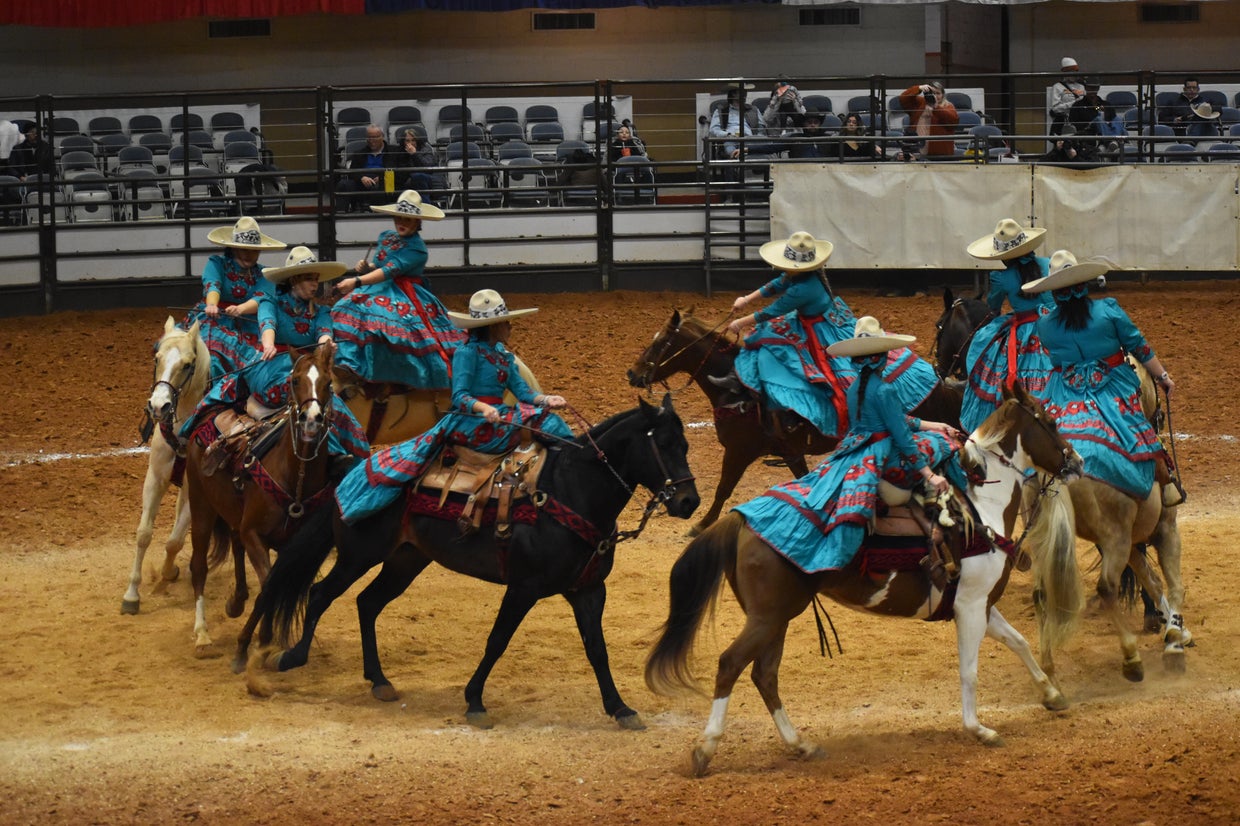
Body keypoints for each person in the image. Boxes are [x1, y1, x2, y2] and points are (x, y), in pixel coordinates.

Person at [731, 316, 963, 575]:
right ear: (881, 357)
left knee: (935, 435)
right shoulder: (884, 390)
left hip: (857, 450)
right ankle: (938, 513)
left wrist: (933, 424)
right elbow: (903, 438)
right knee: (942, 445)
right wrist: (928, 473)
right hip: (885, 453)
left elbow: (895, 418)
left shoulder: (854, 388)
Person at [333, 288, 574, 524]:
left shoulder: (502, 356)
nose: (510, 327)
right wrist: (483, 408)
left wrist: (546, 399)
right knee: (546, 423)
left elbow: (523, 392)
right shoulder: (467, 353)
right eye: (506, 322)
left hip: (497, 416)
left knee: (548, 419)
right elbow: (460, 396)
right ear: (493, 326)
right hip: (471, 422)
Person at [725, 231, 937, 439]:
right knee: (767, 339)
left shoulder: (804, 288)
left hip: (822, 329)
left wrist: (740, 322)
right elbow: (777, 284)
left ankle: (796, 413)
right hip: (814, 320)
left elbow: (772, 310)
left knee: (829, 371)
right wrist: (746, 299)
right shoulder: (802, 277)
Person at [179, 246, 369, 470]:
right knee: (298, 391)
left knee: (337, 410)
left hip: (304, 367)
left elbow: (323, 334)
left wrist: (327, 346)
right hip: (271, 362)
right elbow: (267, 323)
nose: (314, 284)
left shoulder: (321, 312)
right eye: (309, 278)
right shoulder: (271, 301)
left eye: (316, 279)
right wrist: (268, 344)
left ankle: (347, 459)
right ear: (294, 280)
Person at [1022, 250, 1183, 507]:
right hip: (1112, 384)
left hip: (1065, 389)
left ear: (1054, 292)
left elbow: (1055, 360)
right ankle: (1167, 484)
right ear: (1083, 285)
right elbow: (1138, 346)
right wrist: (1161, 376)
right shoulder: (1108, 309)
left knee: (1047, 429)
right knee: (1139, 427)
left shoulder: (1044, 324)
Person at [331, 189, 466, 391]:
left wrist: (357, 280)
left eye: (408, 219)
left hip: (405, 293)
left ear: (418, 222)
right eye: (399, 217)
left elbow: (389, 270)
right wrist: (367, 268)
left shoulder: (417, 249)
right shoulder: (386, 237)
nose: (402, 222)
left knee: (375, 315)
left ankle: (392, 375)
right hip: (381, 286)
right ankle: (348, 364)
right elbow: (380, 267)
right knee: (347, 307)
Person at [959, 218, 1055, 434]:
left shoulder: (1001, 278)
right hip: (1053, 322)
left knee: (984, 342)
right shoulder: (1047, 263)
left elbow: (992, 307)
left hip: (1023, 328)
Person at [182, 216, 287, 379]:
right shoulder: (217, 263)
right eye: (244, 249)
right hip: (216, 315)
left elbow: (262, 298)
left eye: (254, 250)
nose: (249, 255)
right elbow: (213, 284)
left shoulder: (265, 274)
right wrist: (212, 304)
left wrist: (240, 309)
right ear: (234, 249)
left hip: (248, 321)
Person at [335, 123, 400, 213]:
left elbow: (399, 171)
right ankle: (340, 215)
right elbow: (352, 172)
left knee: (381, 186)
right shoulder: (359, 153)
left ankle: (379, 215)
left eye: (375, 137)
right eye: (369, 137)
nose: (371, 140)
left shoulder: (394, 151)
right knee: (344, 184)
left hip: (384, 181)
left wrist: (382, 178)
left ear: (382, 137)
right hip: (363, 182)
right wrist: (362, 177)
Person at [897, 81, 958, 159]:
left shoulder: (948, 106)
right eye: (932, 93)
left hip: (940, 154)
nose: (935, 96)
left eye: (938, 93)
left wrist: (936, 107)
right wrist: (918, 88)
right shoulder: (920, 102)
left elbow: (953, 121)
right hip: (916, 152)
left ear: (943, 95)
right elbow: (903, 99)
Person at [394, 128, 445, 202]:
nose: (410, 143)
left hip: (428, 180)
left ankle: (425, 206)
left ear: (417, 140)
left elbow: (428, 168)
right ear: (403, 142)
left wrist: (415, 154)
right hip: (408, 182)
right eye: (407, 141)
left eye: (413, 140)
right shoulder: (400, 152)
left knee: (418, 176)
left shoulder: (426, 149)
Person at [1049, 57, 1085, 135]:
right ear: (1065, 73)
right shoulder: (1057, 87)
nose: (1074, 74)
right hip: (1066, 120)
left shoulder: (1082, 87)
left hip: (1081, 119)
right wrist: (1073, 104)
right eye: (1071, 71)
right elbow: (1055, 108)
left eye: (1076, 71)